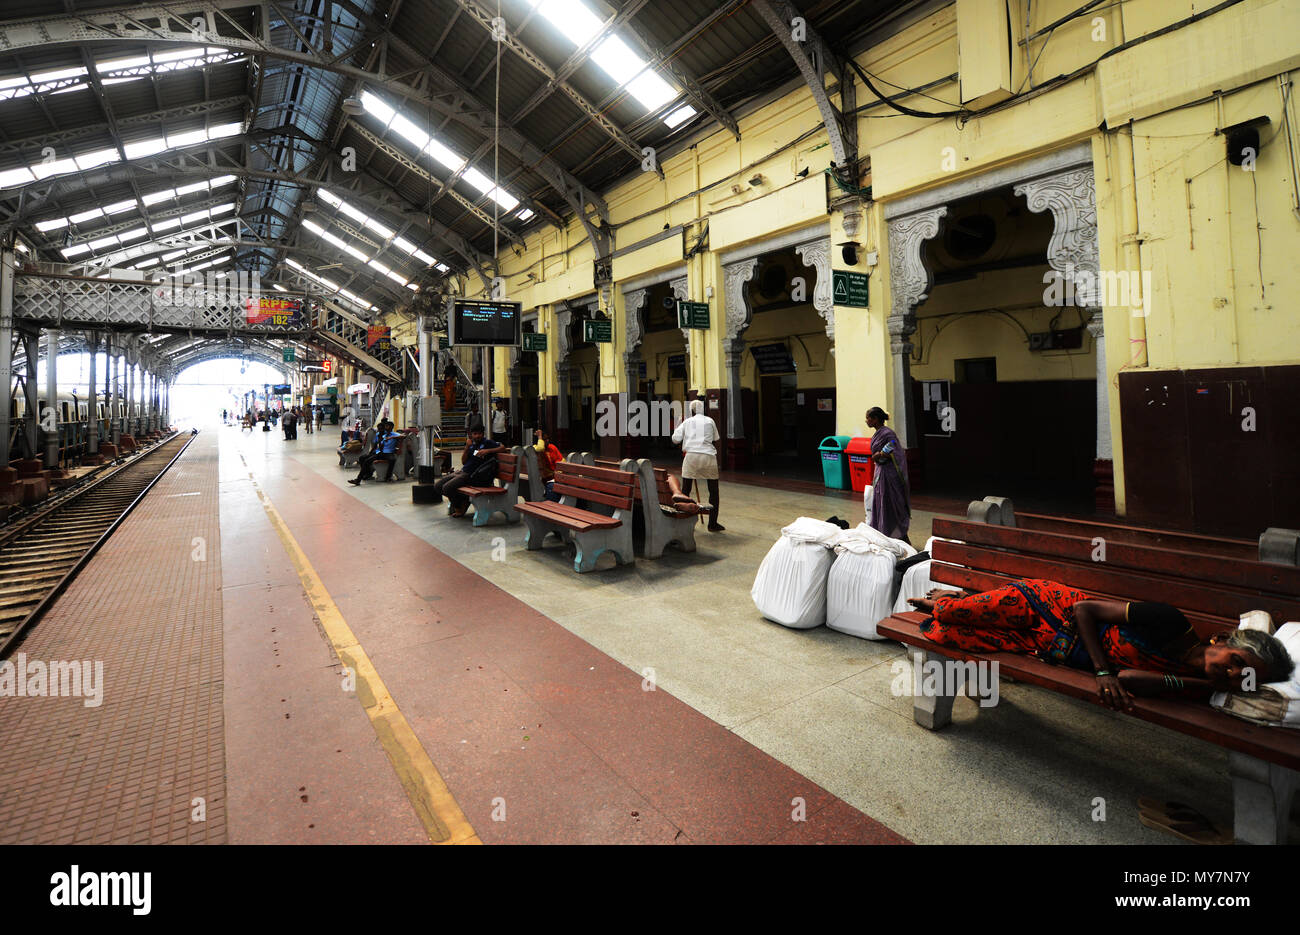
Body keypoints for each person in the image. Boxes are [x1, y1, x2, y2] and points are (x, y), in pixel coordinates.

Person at [907, 579, 1294, 711]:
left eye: (1238, 678)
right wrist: (1102, 671)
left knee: (950, 633)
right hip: (1050, 609)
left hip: (1046, 645)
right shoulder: (1170, 622)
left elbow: (1131, 678)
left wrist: (1208, 686)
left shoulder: (1188, 682)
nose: (1229, 672)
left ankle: (950, 602)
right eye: (1235, 660)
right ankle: (948, 598)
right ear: (1224, 640)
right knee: (953, 615)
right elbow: (1085, 609)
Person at [671, 398, 724, 532]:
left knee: (685, 491)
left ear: (692, 411)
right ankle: (712, 524)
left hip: (691, 457)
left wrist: (680, 427)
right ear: (704, 410)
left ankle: (684, 523)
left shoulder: (687, 422)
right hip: (708, 457)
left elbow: (675, 439)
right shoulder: (710, 420)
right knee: (713, 492)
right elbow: (716, 439)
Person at [431, 427, 504, 517]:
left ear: (483, 434)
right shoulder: (471, 445)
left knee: (447, 488)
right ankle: (464, 499)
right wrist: (466, 448)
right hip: (463, 471)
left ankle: (459, 508)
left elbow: (502, 448)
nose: (477, 436)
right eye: (475, 434)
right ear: (471, 435)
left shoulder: (487, 443)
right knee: (438, 486)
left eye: (479, 434)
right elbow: (463, 462)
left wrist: (488, 451)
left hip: (473, 475)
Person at [865, 406, 910, 543]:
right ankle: (884, 533)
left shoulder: (888, 434)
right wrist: (877, 456)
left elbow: (895, 451)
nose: (866, 421)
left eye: (869, 418)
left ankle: (900, 536)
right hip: (881, 474)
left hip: (889, 475)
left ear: (876, 419)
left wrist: (879, 455)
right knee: (881, 503)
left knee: (892, 503)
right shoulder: (878, 433)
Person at [532, 428, 564, 502]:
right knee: (552, 487)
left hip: (555, 476)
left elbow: (561, 461)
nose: (547, 441)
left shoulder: (552, 447)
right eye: (544, 439)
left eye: (547, 439)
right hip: (544, 478)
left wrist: (559, 473)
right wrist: (539, 436)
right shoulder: (535, 448)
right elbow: (540, 448)